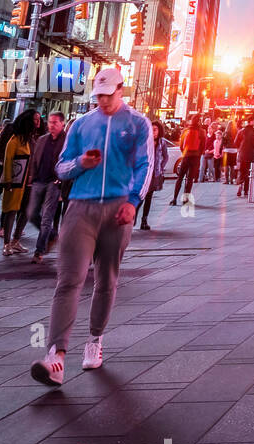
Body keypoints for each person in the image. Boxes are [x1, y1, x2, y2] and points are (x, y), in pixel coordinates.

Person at [30, 68, 152, 387]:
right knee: (69, 279)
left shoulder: (138, 123)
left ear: (121, 90)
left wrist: (133, 201)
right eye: (99, 95)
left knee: (106, 279)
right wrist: (80, 163)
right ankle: (56, 356)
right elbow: (62, 166)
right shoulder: (82, 124)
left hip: (118, 209)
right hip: (80, 208)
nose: (104, 100)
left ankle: (95, 339)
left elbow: (145, 164)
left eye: (109, 94)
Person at [26, 111, 68, 261]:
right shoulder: (42, 140)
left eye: (55, 122)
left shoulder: (66, 141)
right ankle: (52, 235)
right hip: (39, 180)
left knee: (46, 217)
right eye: (50, 122)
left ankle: (39, 250)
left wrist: (60, 180)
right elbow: (34, 159)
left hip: (54, 182)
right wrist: (33, 175)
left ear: (62, 124)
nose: (52, 125)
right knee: (31, 214)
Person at [0, 110, 37, 255]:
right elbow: (8, 162)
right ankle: (7, 244)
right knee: (11, 211)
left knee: (26, 211)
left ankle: (15, 240)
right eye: (35, 120)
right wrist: (8, 181)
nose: (37, 123)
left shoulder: (29, 140)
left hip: (29, 183)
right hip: (16, 183)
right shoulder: (14, 141)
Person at [141, 120, 171, 226]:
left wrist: (160, 167)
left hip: (155, 174)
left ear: (159, 131)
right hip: (144, 173)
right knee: (140, 197)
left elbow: (166, 156)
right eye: (151, 130)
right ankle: (132, 218)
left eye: (155, 130)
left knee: (149, 197)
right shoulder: (145, 141)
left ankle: (144, 220)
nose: (153, 132)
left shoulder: (162, 142)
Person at [171, 116, 205, 205]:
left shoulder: (185, 131)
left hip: (186, 156)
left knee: (180, 177)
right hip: (195, 157)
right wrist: (198, 154)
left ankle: (174, 199)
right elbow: (203, 146)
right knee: (189, 179)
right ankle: (185, 200)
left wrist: (184, 153)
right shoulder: (202, 132)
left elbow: (181, 145)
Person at [235, 117, 254, 197]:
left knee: (242, 171)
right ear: (251, 122)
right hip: (251, 155)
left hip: (242, 154)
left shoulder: (241, 131)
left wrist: (241, 149)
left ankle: (240, 185)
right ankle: (246, 190)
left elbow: (236, 142)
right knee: (249, 173)